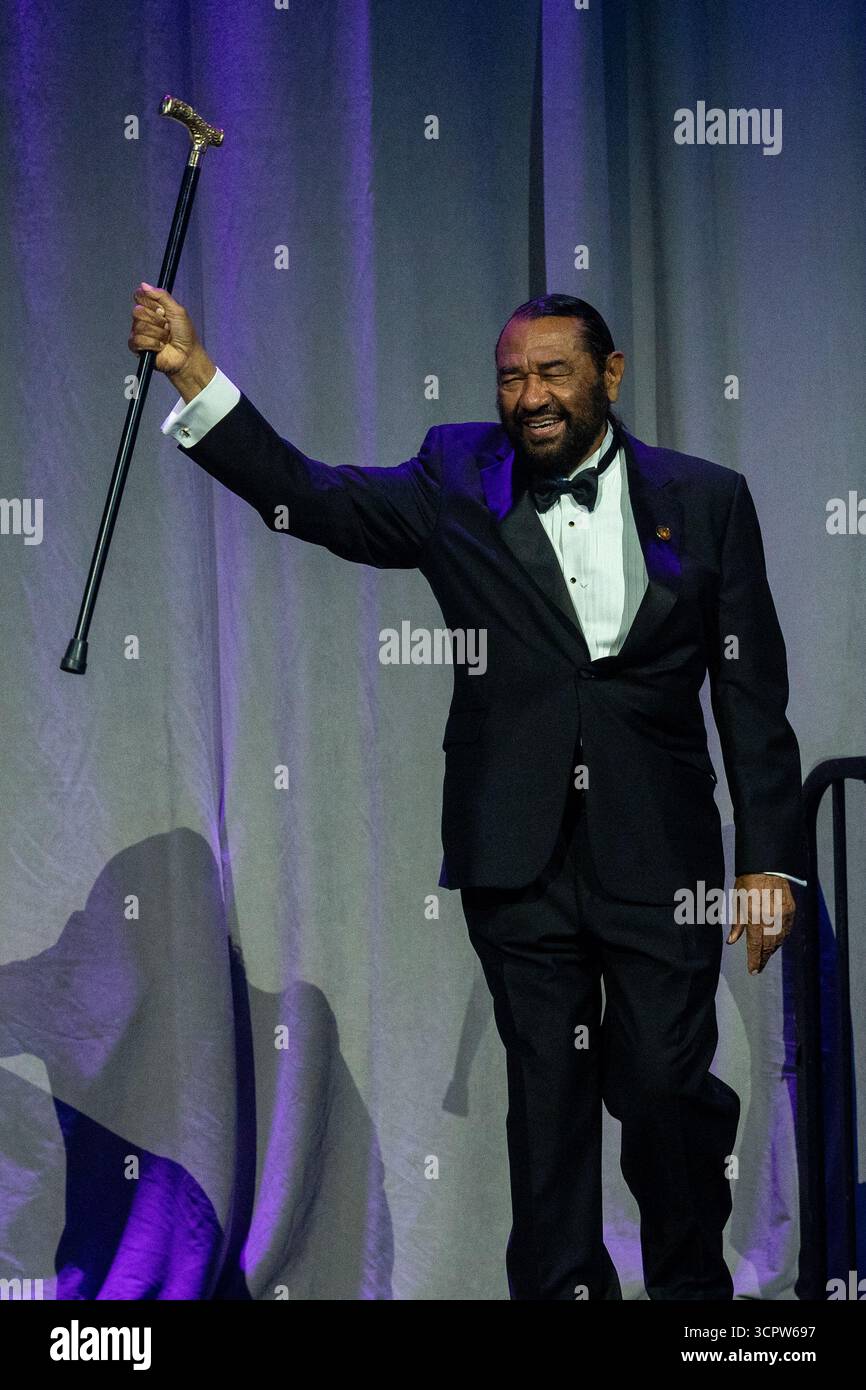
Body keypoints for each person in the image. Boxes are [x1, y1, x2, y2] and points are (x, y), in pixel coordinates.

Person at [129, 286, 808, 1301]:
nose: (527, 395)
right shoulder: (454, 476)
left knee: (665, 1084)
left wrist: (765, 855)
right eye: (510, 376)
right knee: (546, 1097)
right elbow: (309, 496)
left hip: (658, 854)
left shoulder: (705, 498)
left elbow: (747, 689)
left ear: (608, 376)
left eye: (551, 372)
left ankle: (688, 1298)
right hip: (513, 853)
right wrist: (192, 371)